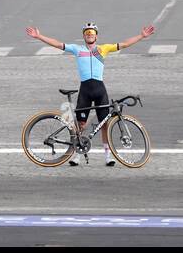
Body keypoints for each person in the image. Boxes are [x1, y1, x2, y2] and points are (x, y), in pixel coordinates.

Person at [26, 20, 155, 165]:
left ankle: (108, 157)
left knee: (104, 124)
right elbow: (58, 44)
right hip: (85, 90)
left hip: (100, 90)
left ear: (96, 36)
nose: (89, 35)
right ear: (83, 36)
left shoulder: (103, 49)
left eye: (92, 33)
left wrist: (141, 36)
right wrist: (40, 36)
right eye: (87, 33)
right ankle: (76, 155)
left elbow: (124, 44)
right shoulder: (77, 49)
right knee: (81, 125)